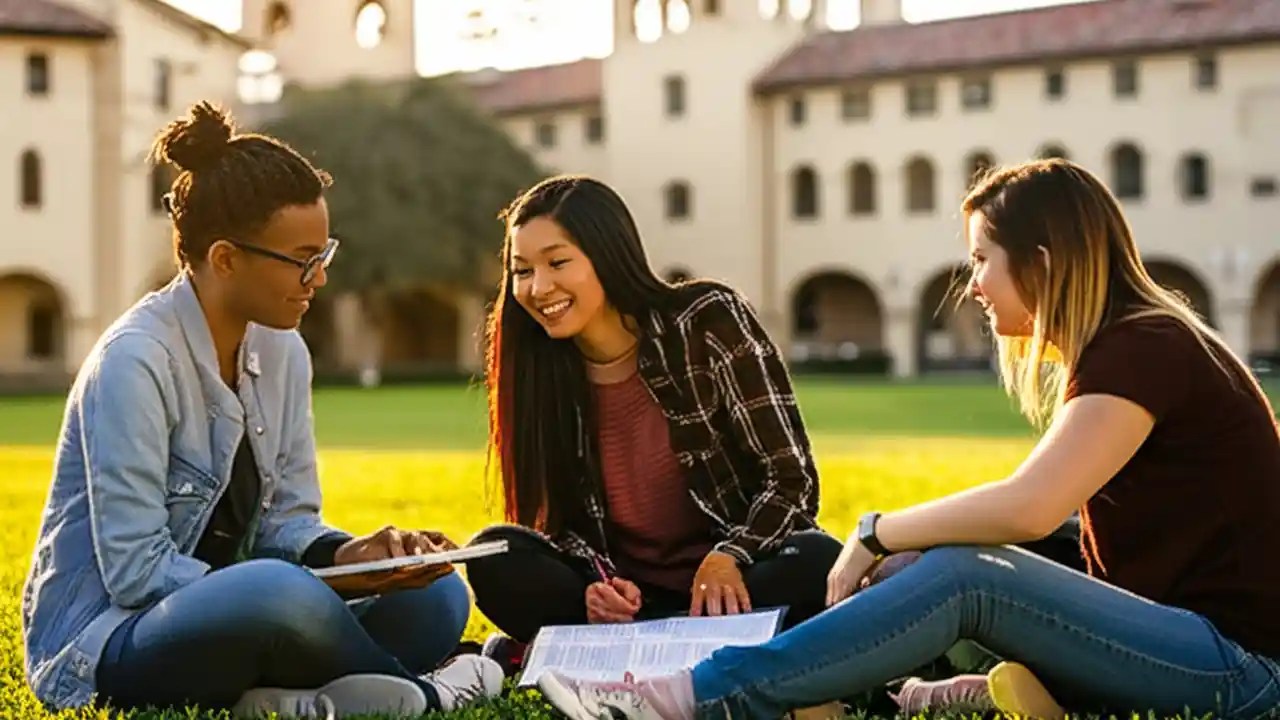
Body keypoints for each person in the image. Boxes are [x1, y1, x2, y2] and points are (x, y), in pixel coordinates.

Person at [534, 158, 1280, 720]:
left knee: (968, 577)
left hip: (1238, 669)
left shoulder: (1144, 346)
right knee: (952, 564)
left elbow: (1028, 506)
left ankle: (702, 694)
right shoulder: (1136, 344)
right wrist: (918, 551)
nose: (973, 283)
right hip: (1193, 645)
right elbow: (1061, 530)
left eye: (984, 258)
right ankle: (963, 691)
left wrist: (878, 532)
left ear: (1044, 262)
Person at [20, 101, 502, 718]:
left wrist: (351, 559)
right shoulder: (134, 362)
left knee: (435, 595)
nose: (318, 279)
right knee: (276, 594)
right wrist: (309, 591)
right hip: (110, 639)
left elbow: (287, 526)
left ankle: (288, 698)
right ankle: (430, 692)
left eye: (323, 256)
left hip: (249, 612)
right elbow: (136, 574)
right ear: (225, 259)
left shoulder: (282, 350)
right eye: (303, 260)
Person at [464, 175, 844, 673]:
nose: (538, 288)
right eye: (521, 270)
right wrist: (600, 588)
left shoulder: (707, 320)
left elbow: (791, 478)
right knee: (495, 555)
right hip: (632, 608)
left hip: (735, 587)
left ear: (607, 253)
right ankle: (654, 645)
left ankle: (601, 653)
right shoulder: (539, 372)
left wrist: (730, 555)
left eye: (557, 263)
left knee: (816, 560)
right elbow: (558, 525)